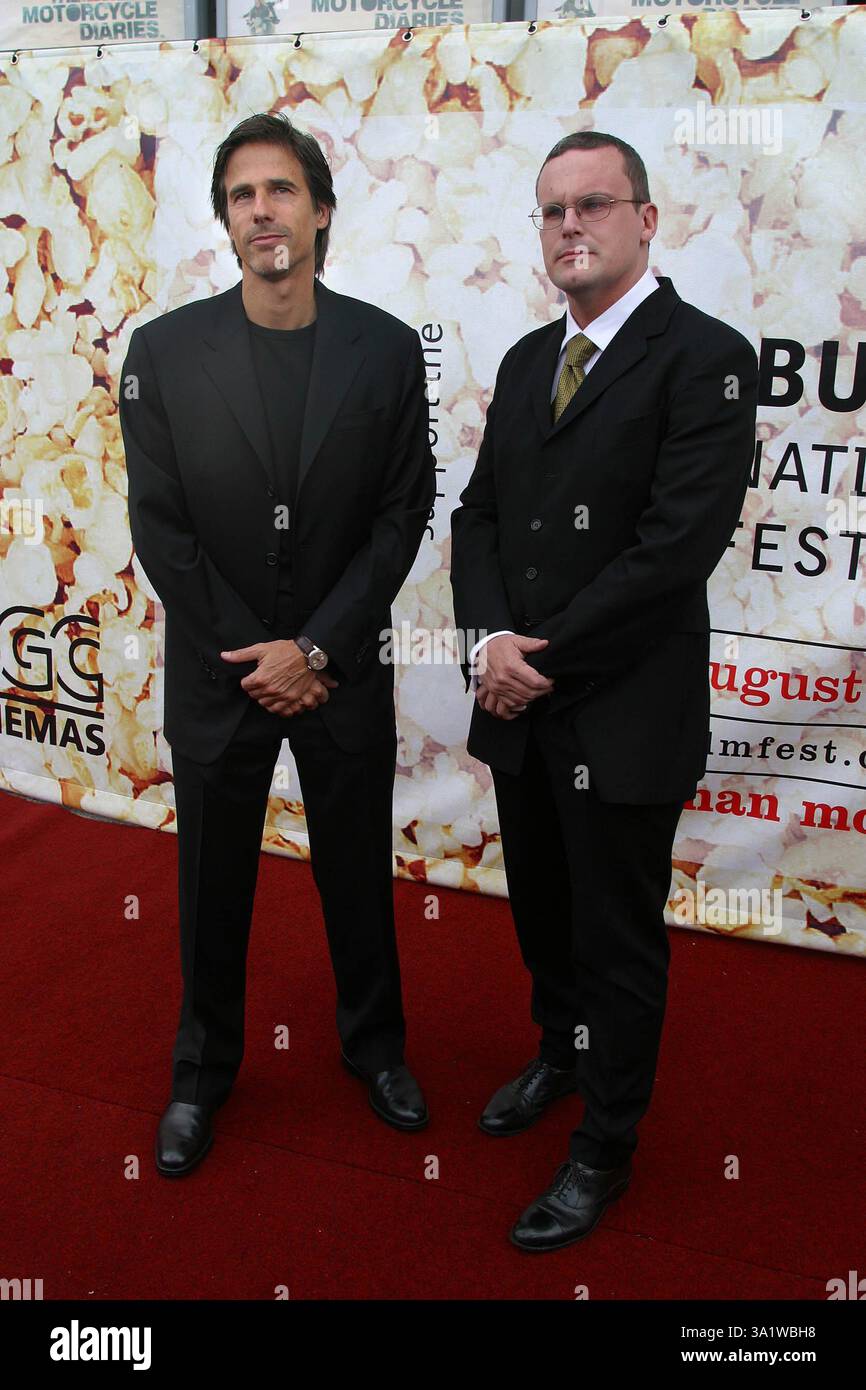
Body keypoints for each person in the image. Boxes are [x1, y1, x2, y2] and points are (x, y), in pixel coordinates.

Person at [450, 131, 758, 1251]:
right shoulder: (531, 359)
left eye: (591, 205)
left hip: (619, 709)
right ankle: (559, 1057)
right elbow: (477, 511)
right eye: (549, 211)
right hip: (517, 700)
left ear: (644, 218)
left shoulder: (708, 357)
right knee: (540, 907)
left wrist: (540, 658)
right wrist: (487, 637)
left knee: (618, 937)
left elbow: (674, 548)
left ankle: (603, 1149)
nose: (568, 227)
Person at [119, 112, 436, 1176]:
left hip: (340, 670)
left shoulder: (386, 351)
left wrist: (320, 648)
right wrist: (259, 653)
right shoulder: (163, 353)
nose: (262, 207)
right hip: (220, 673)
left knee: (355, 872)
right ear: (226, 218)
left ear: (320, 212)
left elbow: (403, 512)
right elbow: (160, 525)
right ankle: (200, 1074)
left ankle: (376, 1049)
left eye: (282, 189)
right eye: (243, 192)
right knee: (212, 885)